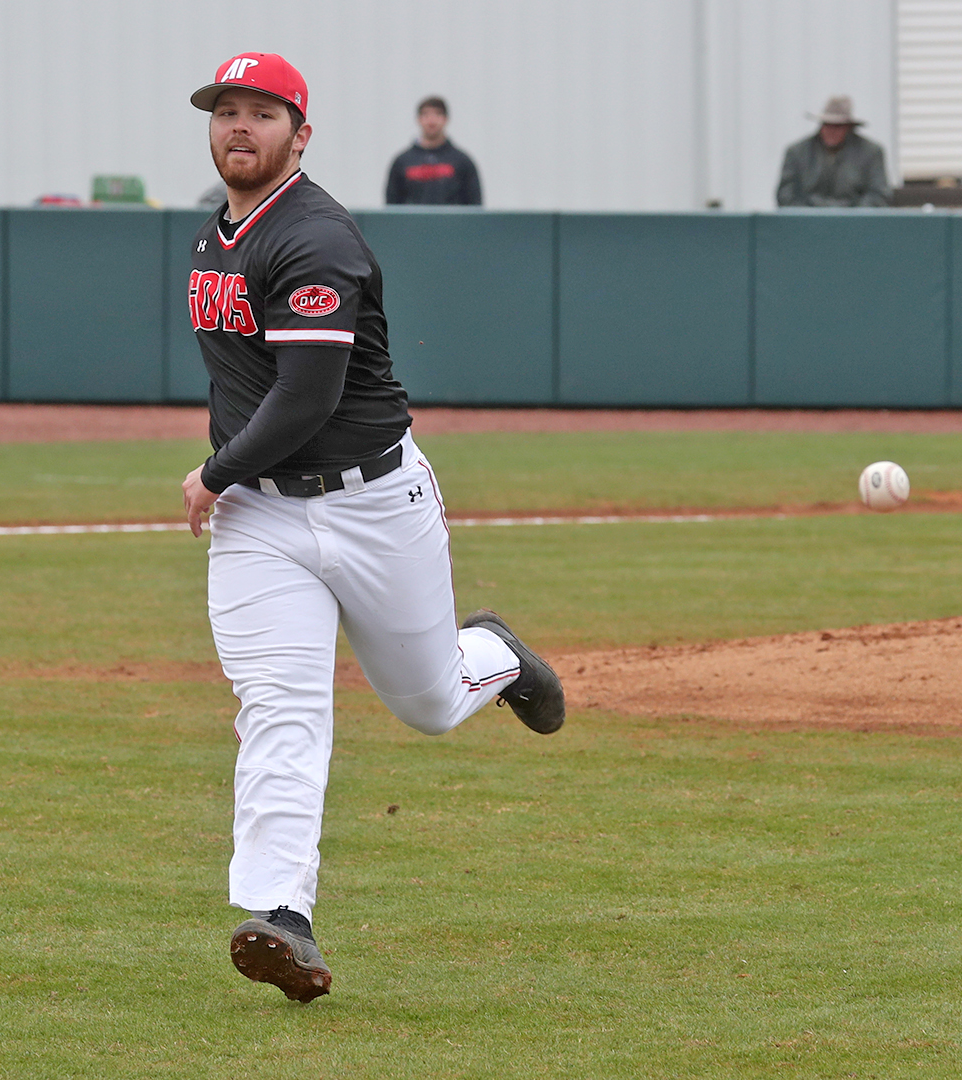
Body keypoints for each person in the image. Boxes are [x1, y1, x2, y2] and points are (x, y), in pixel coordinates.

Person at [182, 52, 563, 1003]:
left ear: (299, 135)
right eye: (227, 110)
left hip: (373, 503)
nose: (240, 126)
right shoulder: (213, 239)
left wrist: (212, 470)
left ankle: (498, 653)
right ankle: (283, 917)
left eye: (261, 113)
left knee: (431, 702)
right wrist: (235, 480)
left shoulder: (318, 239)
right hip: (261, 521)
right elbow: (243, 385)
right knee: (281, 712)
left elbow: (307, 396)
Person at [775, 95, 892, 208]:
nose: (831, 131)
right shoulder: (797, 152)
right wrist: (810, 215)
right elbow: (785, 195)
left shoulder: (871, 152)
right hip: (807, 224)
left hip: (855, 224)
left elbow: (879, 196)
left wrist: (851, 215)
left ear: (848, 127)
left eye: (838, 126)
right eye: (827, 124)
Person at [384, 96, 482, 205]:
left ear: (446, 119)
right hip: (413, 222)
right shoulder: (402, 162)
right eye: (426, 114)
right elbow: (392, 205)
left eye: (438, 114)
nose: (431, 120)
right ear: (418, 119)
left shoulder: (462, 161)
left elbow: (474, 204)